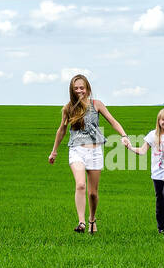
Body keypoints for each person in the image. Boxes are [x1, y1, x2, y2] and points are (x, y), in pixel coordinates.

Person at [47, 74, 128, 234]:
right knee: (80, 185)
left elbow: (113, 121)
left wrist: (124, 136)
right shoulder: (68, 108)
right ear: (71, 90)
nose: (79, 91)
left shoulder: (96, 104)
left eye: (81, 88)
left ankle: (92, 219)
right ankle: (81, 222)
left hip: (95, 151)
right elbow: (62, 130)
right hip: (76, 150)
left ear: (87, 88)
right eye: (75, 88)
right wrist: (54, 151)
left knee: (92, 193)